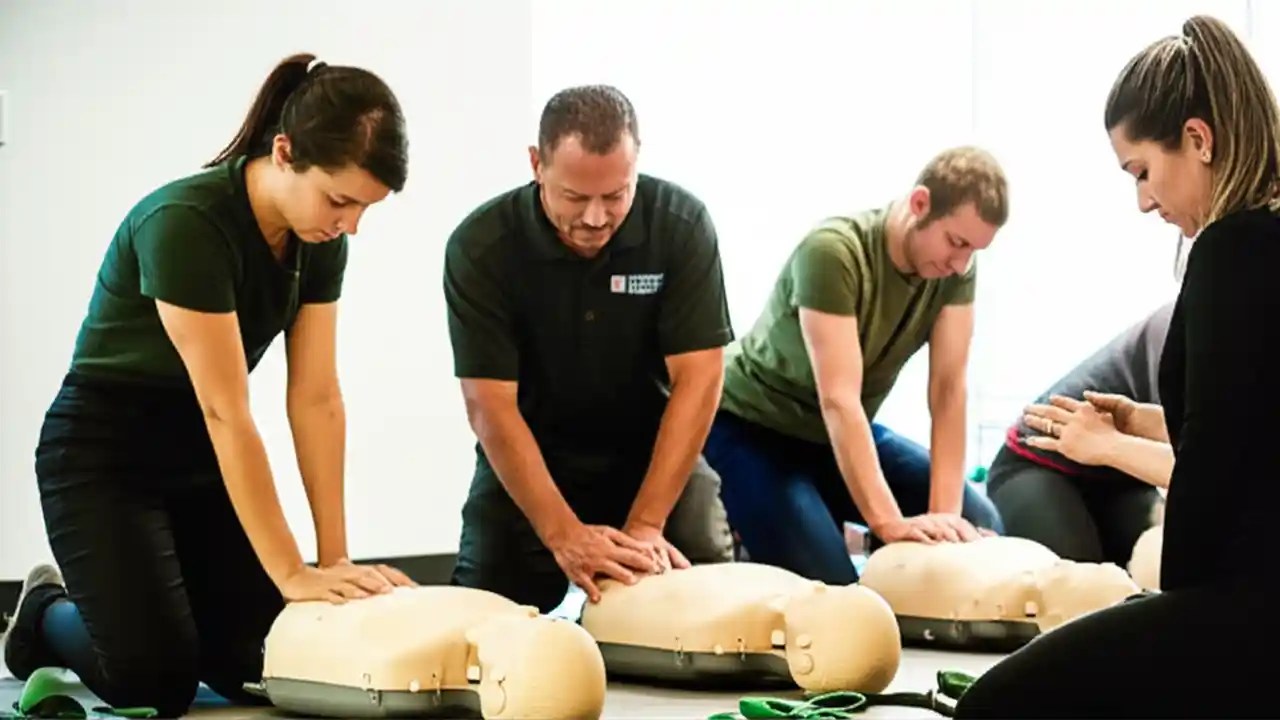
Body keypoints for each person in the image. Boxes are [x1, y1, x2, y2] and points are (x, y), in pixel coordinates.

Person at [0, 54, 413, 717]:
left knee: (261, 658)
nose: (351, 225)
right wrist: (289, 572)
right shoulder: (187, 223)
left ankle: (159, 611)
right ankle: (44, 613)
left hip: (195, 457)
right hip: (103, 455)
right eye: (341, 200)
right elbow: (227, 411)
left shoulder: (320, 242)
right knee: (154, 682)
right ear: (284, 152)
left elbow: (316, 398)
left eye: (365, 208)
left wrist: (333, 562)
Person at [955, 15, 1280, 718]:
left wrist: (1106, 447)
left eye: (1143, 171)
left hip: (1247, 612)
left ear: (1198, 139)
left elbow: (1224, 485)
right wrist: (1148, 420)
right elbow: (1253, 436)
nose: (1142, 200)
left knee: (995, 706)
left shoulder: (1232, 252)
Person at [444, 84, 736, 614]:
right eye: (575, 198)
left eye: (616, 195)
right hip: (534, 451)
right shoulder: (482, 246)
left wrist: (647, 526)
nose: (596, 218)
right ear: (537, 165)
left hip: (651, 448)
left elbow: (700, 379)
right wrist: (562, 534)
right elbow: (489, 407)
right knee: (485, 616)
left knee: (708, 603)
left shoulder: (681, 226)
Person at [701, 146, 1009, 586]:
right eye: (956, 242)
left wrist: (945, 525)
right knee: (837, 590)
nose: (960, 263)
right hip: (750, 428)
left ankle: (817, 519)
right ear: (920, 204)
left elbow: (947, 391)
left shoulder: (955, 271)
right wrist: (887, 523)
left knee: (980, 524)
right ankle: (754, 532)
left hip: (832, 438)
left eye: (973, 251)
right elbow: (839, 398)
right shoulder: (833, 252)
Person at [986, 301, 1174, 566]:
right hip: (1041, 466)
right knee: (1082, 584)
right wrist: (1113, 442)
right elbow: (1203, 468)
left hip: (1125, 481)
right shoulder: (1183, 327)